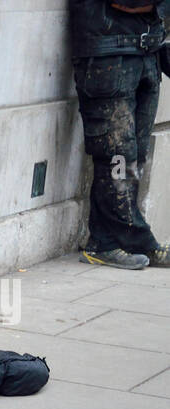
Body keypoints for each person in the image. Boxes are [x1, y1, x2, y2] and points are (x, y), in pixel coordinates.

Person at [70, 0, 170, 269]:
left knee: (133, 156)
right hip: (108, 55)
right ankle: (140, 240)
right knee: (117, 156)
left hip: (147, 51)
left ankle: (103, 243)